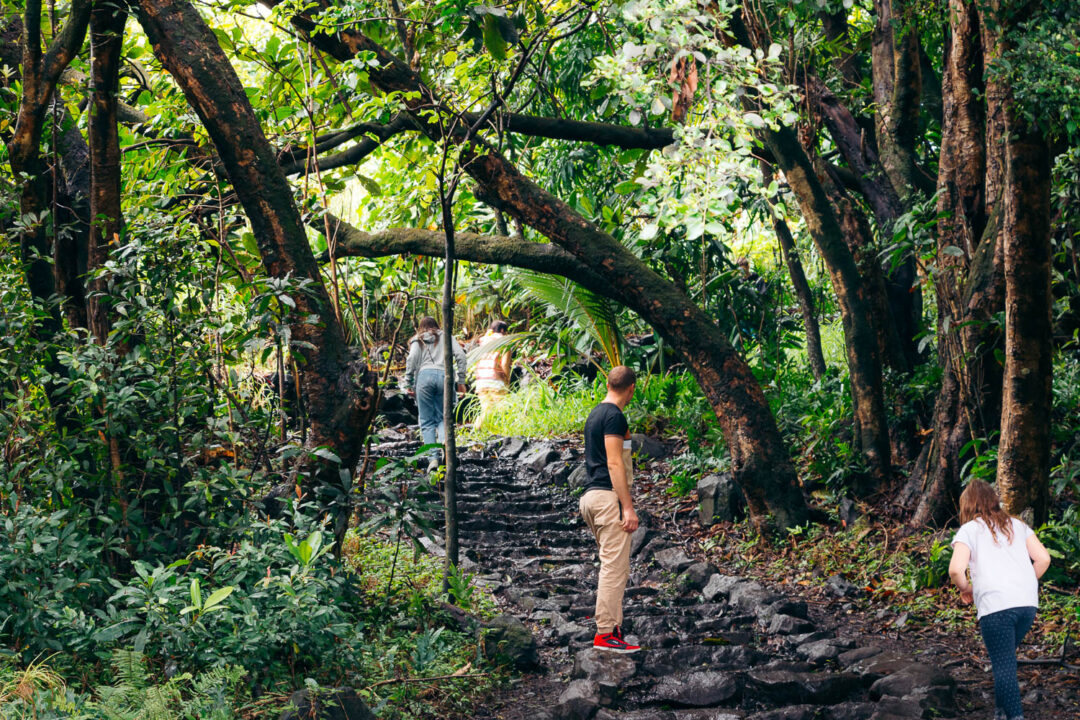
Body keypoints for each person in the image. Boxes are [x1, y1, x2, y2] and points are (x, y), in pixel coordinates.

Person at [948, 479, 1051, 720]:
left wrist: (967, 589)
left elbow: (955, 570)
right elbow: (1044, 559)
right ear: (993, 500)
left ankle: (1015, 716)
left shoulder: (970, 529)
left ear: (967, 505)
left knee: (1004, 665)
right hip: (1027, 604)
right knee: (1003, 659)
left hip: (997, 607)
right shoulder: (1017, 524)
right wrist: (1025, 582)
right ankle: (1000, 712)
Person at [579, 365, 641, 653]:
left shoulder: (595, 414)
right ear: (631, 388)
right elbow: (615, 463)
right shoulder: (614, 416)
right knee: (614, 568)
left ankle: (613, 627)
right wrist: (627, 507)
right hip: (607, 499)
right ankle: (605, 634)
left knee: (615, 565)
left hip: (590, 498)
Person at [402, 316, 467, 470]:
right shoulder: (447, 337)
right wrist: (461, 381)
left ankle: (433, 460)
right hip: (445, 377)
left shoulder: (417, 340)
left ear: (420, 327)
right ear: (437, 326)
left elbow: (411, 359)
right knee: (444, 418)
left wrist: (408, 382)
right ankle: (445, 446)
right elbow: (461, 356)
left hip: (424, 378)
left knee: (426, 421)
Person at [473, 320, 512, 428]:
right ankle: (480, 428)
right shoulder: (505, 342)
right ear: (503, 330)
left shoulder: (483, 342)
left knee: (486, 409)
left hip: (481, 380)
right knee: (502, 409)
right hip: (496, 380)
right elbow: (504, 363)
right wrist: (507, 379)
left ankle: (480, 432)